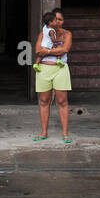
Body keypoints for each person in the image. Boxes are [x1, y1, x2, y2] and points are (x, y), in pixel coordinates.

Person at [33, 8, 73, 143]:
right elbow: (38, 50)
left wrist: (48, 51)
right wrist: (54, 51)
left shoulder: (67, 34)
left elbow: (65, 49)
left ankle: (65, 133)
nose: (58, 22)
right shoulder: (44, 33)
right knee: (44, 101)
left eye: (60, 19)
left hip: (60, 69)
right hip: (44, 69)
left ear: (63, 21)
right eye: (55, 19)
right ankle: (44, 132)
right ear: (50, 21)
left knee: (62, 101)